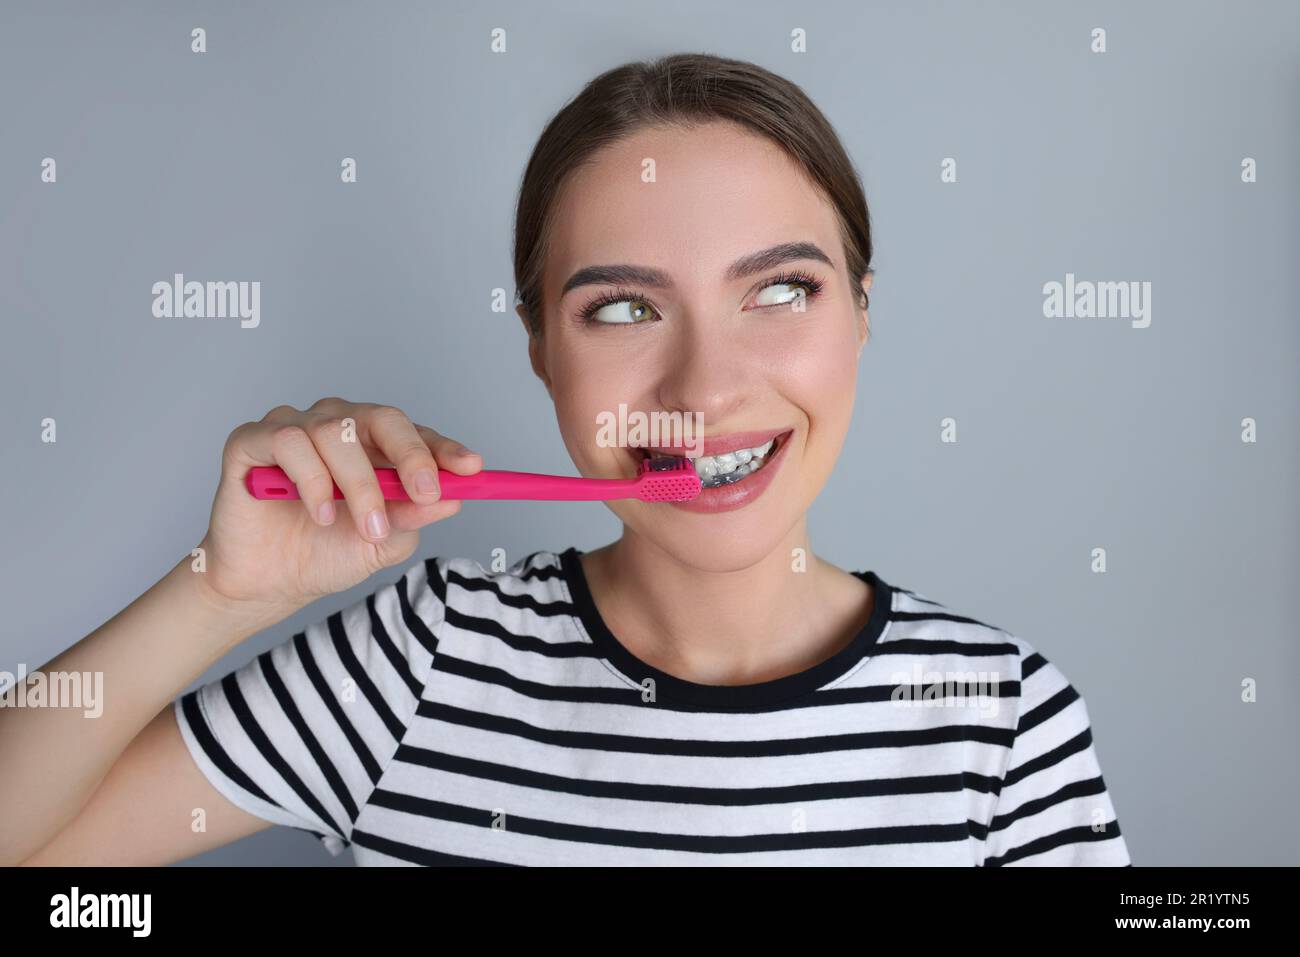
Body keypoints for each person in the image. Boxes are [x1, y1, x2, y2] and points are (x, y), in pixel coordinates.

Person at [0, 53, 1129, 866]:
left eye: (780, 290)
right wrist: (219, 592)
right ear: (541, 348)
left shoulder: (1001, 718)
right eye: (625, 308)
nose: (704, 389)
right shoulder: (417, 660)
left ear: (862, 314)